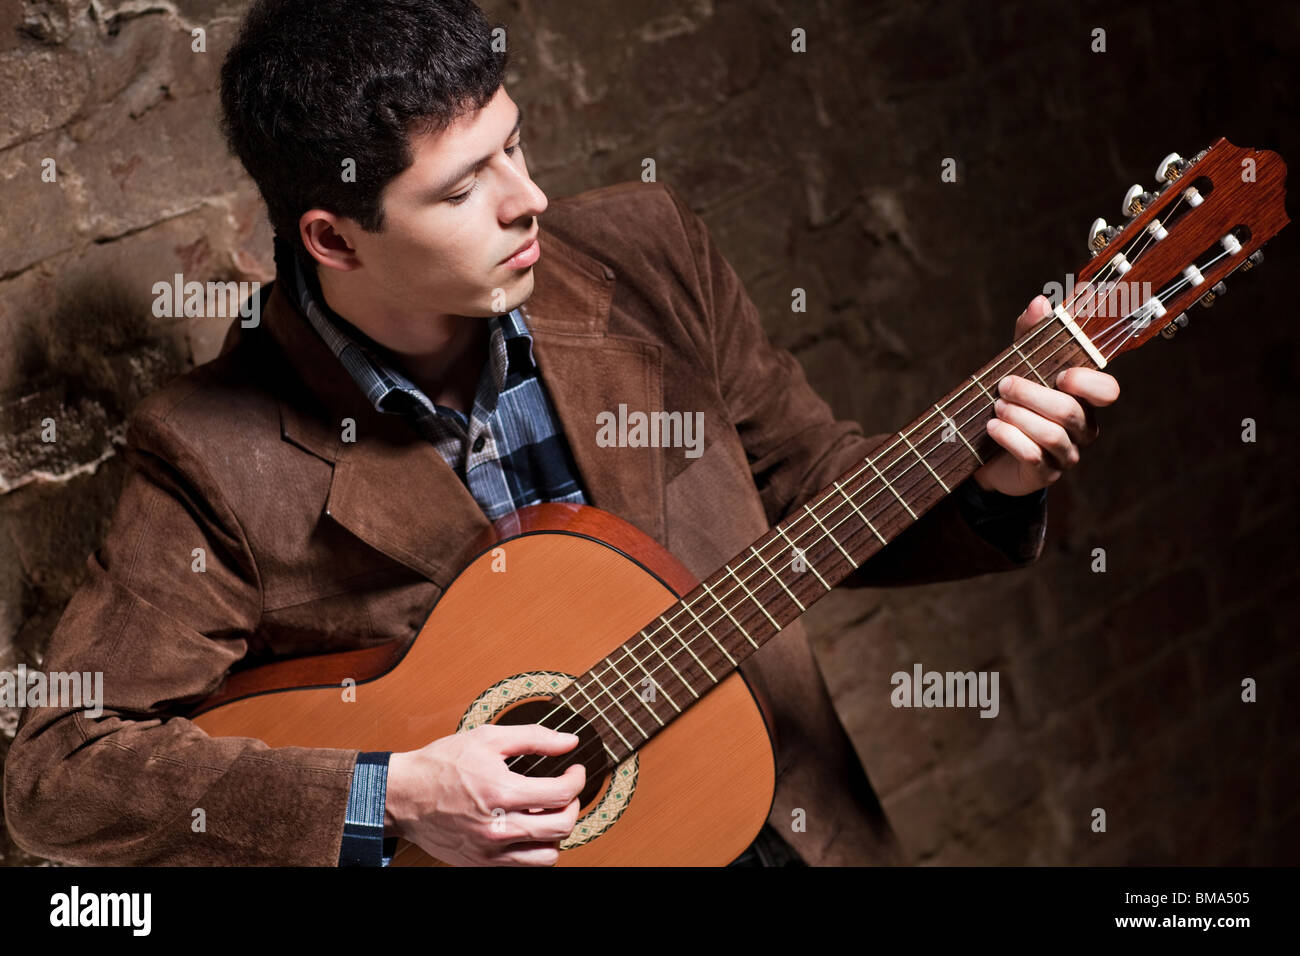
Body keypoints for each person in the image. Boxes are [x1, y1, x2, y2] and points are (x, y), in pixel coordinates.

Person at [3, 0, 1118, 867]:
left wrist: (989, 476)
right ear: (334, 239)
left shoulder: (649, 256)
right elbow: (59, 772)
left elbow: (809, 491)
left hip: (783, 826)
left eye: (515, 144)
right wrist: (394, 792)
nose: (526, 199)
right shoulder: (216, 453)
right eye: (461, 189)